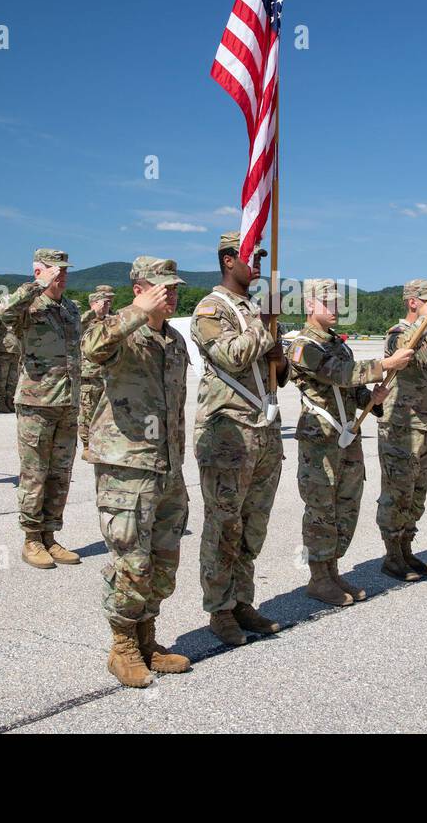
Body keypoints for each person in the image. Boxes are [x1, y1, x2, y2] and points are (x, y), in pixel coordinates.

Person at [82, 256, 191, 688]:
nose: (171, 294)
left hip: (167, 467)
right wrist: (135, 313)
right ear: (139, 290)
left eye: (174, 288)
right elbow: (92, 348)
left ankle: (148, 638)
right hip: (127, 467)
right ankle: (122, 646)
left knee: (164, 561)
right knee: (132, 562)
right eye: (161, 287)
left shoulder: (175, 341)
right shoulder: (120, 332)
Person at [287, 279, 413, 604]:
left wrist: (373, 396)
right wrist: (385, 364)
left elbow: (352, 388)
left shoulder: (339, 344)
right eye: (327, 302)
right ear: (310, 305)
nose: (335, 308)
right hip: (321, 441)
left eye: (337, 302)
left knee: (346, 506)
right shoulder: (303, 345)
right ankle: (318, 576)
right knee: (321, 509)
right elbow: (338, 374)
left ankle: (332, 570)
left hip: (348, 437)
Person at [190, 231, 286, 646]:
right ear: (229, 261)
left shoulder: (255, 309)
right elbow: (229, 355)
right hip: (228, 433)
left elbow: (278, 375)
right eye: (252, 256)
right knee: (223, 525)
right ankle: (220, 609)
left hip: (263, 431)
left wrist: (278, 355)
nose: (259, 263)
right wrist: (266, 327)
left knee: (252, 526)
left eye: (262, 256)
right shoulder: (212, 309)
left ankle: (243, 600)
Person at [0, 250, 83, 570]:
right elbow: (1, 313)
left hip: (68, 403)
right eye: (54, 270)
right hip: (36, 403)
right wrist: (36, 285)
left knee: (60, 475)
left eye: (64, 270)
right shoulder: (27, 305)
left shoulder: (71, 308)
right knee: (35, 474)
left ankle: (50, 535)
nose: (61, 275)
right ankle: (31, 538)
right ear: (38, 271)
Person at [376, 279, 427, 580]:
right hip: (401, 428)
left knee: (417, 493)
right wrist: (420, 329)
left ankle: (406, 548)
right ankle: (392, 556)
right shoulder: (398, 334)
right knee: (397, 492)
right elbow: (401, 355)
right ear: (413, 302)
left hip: (426, 427)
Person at [77, 284, 114, 458]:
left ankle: (104, 441)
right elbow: (77, 323)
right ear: (94, 303)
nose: (108, 304)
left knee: (109, 410)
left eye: (109, 301)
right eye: (105, 302)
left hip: (109, 372)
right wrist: (94, 312)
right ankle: (87, 445)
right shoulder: (85, 320)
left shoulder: (111, 319)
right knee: (88, 411)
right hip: (89, 374)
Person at [0, 305, 20, 414]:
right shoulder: (1, 317)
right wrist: (0, 308)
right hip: (3, 352)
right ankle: (1, 403)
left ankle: (9, 401)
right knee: (1, 380)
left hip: (16, 352)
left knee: (13, 380)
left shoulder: (17, 315)